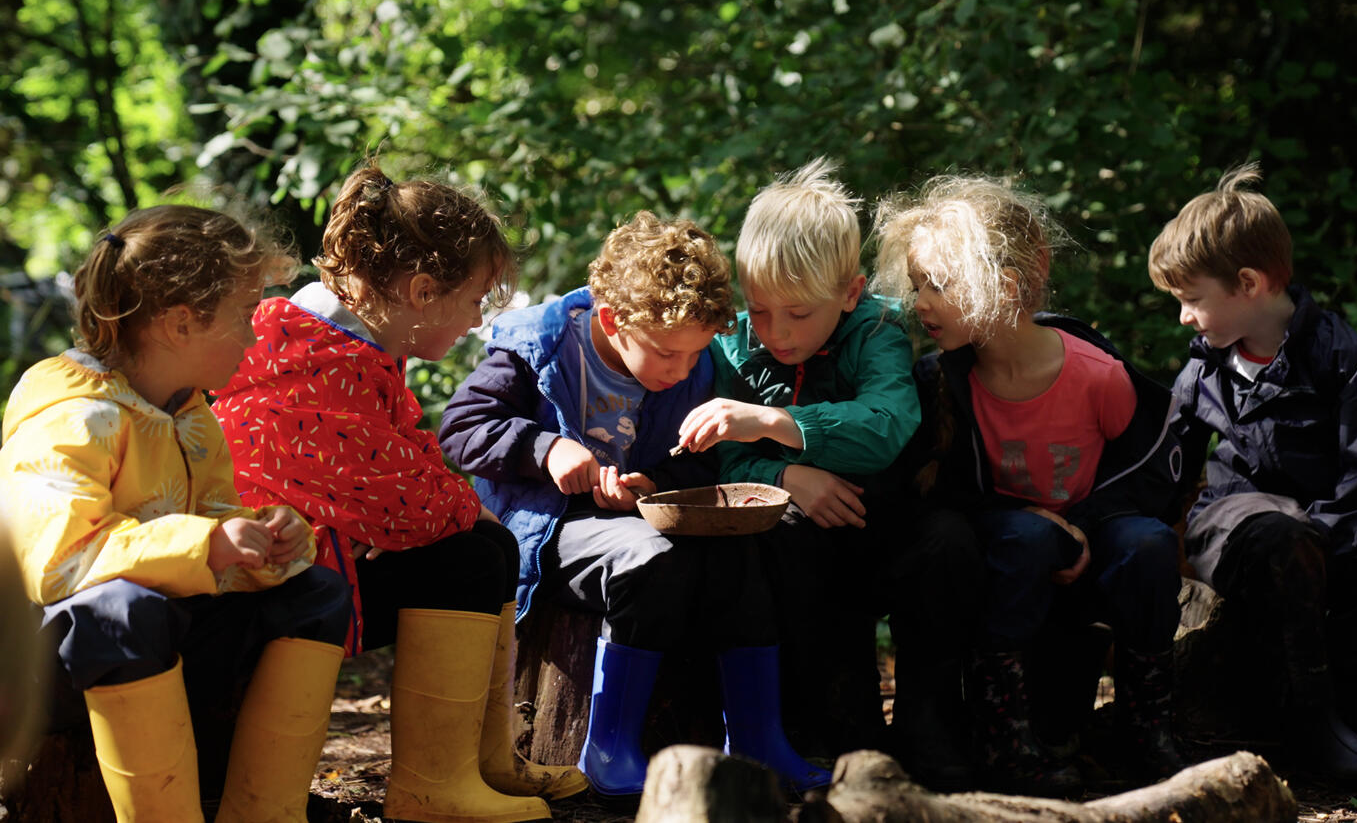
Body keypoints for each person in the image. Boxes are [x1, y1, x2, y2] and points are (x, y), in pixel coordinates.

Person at [211, 166, 582, 823]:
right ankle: (433, 787)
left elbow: (406, 458)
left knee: (483, 541)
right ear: (421, 292)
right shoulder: (325, 366)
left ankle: (480, 761)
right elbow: (409, 502)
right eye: (474, 303)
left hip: (307, 574)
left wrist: (465, 510)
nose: (476, 323)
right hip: (265, 597)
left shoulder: (343, 347)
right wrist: (466, 507)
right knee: (469, 550)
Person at [438, 210, 828, 798]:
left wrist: (655, 481)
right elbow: (463, 429)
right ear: (614, 320)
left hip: (634, 518)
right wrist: (545, 449)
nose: (683, 370)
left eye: (695, 356)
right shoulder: (541, 346)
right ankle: (611, 745)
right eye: (669, 356)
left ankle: (756, 739)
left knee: (740, 553)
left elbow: (697, 463)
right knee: (648, 556)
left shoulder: (690, 367)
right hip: (546, 526)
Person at [0, 206, 352, 823]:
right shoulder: (72, 416)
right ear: (180, 324)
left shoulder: (188, 414)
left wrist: (267, 540)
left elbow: (213, 519)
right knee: (120, 612)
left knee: (317, 592)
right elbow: (59, 565)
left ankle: (266, 812)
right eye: (243, 316)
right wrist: (204, 545)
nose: (252, 335)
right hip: (47, 670)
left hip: (169, 641)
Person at [674, 158, 983, 792]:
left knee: (949, 541)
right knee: (782, 528)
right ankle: (830, 725)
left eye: (797, 313)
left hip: (885, 520)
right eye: (759, 311)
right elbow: (726, 461)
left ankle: (928, 721)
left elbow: (884, 424)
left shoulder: (879, 330)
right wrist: (789, 477)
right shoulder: (733, 344)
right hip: (803, 544)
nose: (777, 333)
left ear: (849, 292)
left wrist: (775, 424)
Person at [869, 175, 1185, 792]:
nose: (922, 303)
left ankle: (1150, 728)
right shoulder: (941, 381)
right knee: (1025, 537)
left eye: (940, 285)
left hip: (1092, 534)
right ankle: (1004, 735)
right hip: (1008, 549)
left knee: (1147, 544)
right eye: (918, 286)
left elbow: (1147, 469)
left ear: (1003, 286)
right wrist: (1032, 522)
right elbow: (934, 490)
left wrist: (1085, 526)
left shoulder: (1097, 375)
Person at [1148, 163, 1357, 777]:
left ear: (1249, 283)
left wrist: (1325, 554)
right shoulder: (1202, 372)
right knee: (1281, 529)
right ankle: (1312, 730)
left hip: (1327, 540)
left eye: (1191, 299)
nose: (1183, 317)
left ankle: (1343, 704)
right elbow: (1168, 473)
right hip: (1242, 537)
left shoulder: (1341, 357)